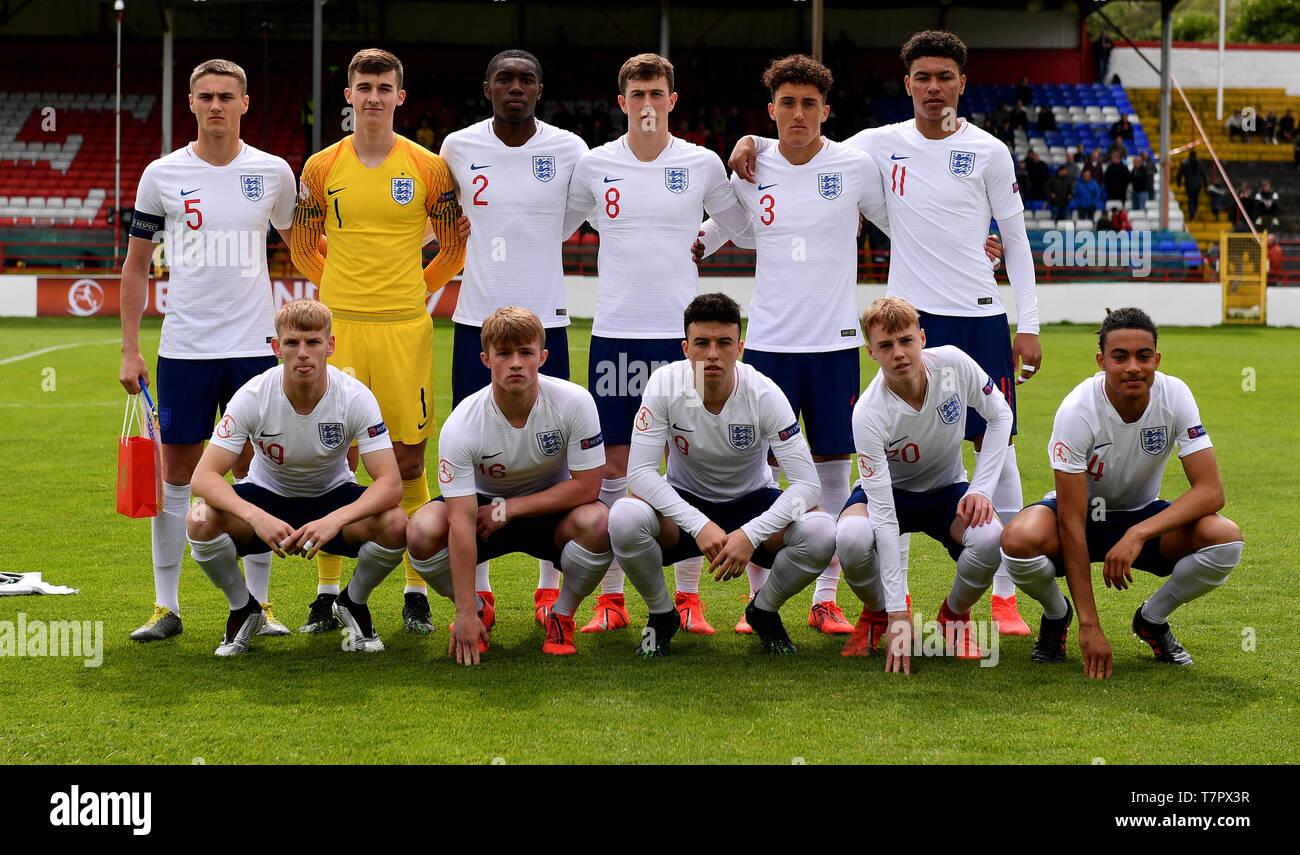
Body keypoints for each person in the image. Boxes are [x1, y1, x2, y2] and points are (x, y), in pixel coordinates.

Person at [728, 30, 1039, 635]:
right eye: (922, 77)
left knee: (996, 450)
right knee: (868, 442)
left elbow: (1018, 241)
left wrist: (1026, 322)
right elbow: (808, 148)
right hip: (908, 322)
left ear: (961, 84)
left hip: (978, 314)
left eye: (944, 76)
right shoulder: (876, 146)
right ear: (907, 84)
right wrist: (752, 140)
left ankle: (1004, 597)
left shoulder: (991, 152)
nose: (933, 87)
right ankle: (843, 593)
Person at [696, 54, 889, 636]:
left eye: (810, 103)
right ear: (771, 110)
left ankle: (825, 598)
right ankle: (760, 600)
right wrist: (689, 248)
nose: (799, 113)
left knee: (831, 470)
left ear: (826, 112)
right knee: (764, 471)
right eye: (788, 103)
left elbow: (899, 221)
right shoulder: (751, 168)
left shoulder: (854, 167)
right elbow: (725, 225)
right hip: (771, 344)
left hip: (834, 343)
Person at [563, 53, 753, 636]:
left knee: (686, 460)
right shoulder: (595, 166)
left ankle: (689, 598)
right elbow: (558, 226)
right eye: (637, 93)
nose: (647, 103)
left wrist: (704, 235)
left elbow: (741, 225)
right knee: (618, 464)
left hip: (685, 341)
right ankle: (613, 598)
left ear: (673, 100)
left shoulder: (699, 163)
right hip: (616, 332)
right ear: (622, 102)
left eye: (657, 93)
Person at [119, 59, 297, 642]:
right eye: (205, 96)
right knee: (176, 473)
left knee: (252, 470)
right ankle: (165, 606)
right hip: (186, 348)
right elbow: (137, 265)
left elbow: (303, 247)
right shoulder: (161, 174)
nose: (216, 105)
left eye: (226, 95)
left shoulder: (272, 173)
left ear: (245, 103)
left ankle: (260, 606)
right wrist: (129, 349)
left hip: (253, 347)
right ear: (190, 104)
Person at [290, 48, 466, 636]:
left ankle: (416, 590)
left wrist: (410, 291)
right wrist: (336, 292)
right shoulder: (319, 167)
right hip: (340, 329)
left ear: (400, 96)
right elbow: (300, 245)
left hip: (403, 329)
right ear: (348, 95)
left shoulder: (428, 167)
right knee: (335, 459)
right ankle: (327, 590)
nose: (372, 95)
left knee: (409, 458)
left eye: (383, 86)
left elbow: (453, 247)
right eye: (363, 85)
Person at [999, 308, 1243, 677]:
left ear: (1156, 359)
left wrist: (1138, 532)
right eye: (1120, 357)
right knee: (1017, 540)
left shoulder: (1175, 394)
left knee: (1225, 540)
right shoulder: (1077, 410)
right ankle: (1057, 614)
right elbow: (1070, 519)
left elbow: (1211, 492)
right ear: (1101, 361)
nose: (1133, 367)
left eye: (1144, 356)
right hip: (1079, 517)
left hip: (1141, 517)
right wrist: (1089, 625)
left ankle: (1152, 620)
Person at [439, 49, 588, 626]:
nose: (516, 87)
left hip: (545, 318)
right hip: (475, 319)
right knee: (473, 453)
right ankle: (477, 586)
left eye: (527, 78)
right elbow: (440, 213)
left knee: (553, 451)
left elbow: (570, 217)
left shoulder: (568, 148)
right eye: (506, 78)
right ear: (488, 88)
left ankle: (550, 585)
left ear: (540, 89)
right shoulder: (458, 146)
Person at [608, 293, 836, 657]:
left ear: (740, 347)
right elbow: (639, 474)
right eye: (702, 343)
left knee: (823, 531)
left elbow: (808, 485)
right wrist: (699, 525)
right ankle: (662, 615)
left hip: (755, 505)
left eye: (724, 343)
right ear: (686, 347)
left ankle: (764, 611)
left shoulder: (765, 393)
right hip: (684, 502)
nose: (712, 354)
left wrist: (751, 533)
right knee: (623, 517)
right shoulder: (664, 384)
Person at [185, 300, 409, 656]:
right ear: (277, 348)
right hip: (264, 495)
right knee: (198, 517)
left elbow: (390, 484)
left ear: (330, 345)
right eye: (292, 343)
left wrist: (334, 520)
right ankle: (244, 609)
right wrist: (255, 516)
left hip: (333, 497)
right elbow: (203, 477)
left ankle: (352, 602)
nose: (302, 353)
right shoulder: (252, 395)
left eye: (313, 342)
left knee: (397, 524)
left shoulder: (355, 396)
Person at [406, 307, 612, 662]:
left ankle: (562, 615)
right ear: (486, 359)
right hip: (481, 515)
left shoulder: (574, 402)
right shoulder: (462, 423)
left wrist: (510, 509)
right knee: (422, 531)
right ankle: (475, 611)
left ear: (542, 357)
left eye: (525, 353)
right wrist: (463, 613)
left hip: (550, 511)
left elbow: (587, 488)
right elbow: (459, 522)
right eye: (504, 353)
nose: (515, 362)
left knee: (601, 523)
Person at [836, 298, 1011, 671]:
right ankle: (878, 613)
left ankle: (953, 616)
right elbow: (882, 512)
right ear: (871, 352)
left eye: (906, 341)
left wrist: (980, 488)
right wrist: (899, 611)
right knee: (850, 539)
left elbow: (1000, 415)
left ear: (922, 338)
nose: (899, 353)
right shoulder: (868, 413)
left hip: (947, 491)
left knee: (991, 539)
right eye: (886, 345)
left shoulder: (951, 364)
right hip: (889, 495)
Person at [1175, 150, 1206, 221]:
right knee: (1195, 199)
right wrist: (1205, 185)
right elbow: (1204, 175)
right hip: (1198, 185)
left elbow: (1179, 174)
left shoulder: (1185, 163)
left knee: (1191, 199)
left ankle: (1192, 215)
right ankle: (1194, 212)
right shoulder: (1200, 163)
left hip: (1189, 185)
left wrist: (1178, 183)